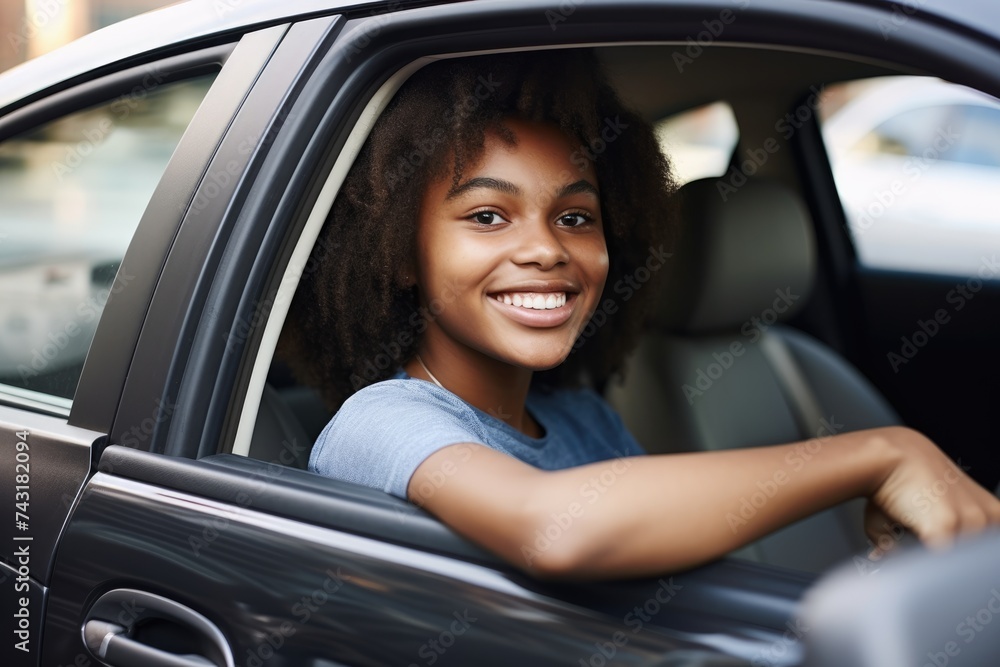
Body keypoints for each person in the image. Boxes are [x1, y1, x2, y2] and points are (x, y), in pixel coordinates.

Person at [281, 49, 1000, 580]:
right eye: (489, 215)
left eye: (574, 216)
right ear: (402, 256)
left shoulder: (587, 422)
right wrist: (882, 454)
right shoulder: (379, 421)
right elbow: (555, 527)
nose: (545, 249)